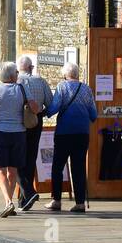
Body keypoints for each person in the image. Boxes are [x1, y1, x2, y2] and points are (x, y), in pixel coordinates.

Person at [0, 61, 38, 218]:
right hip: (19, 133)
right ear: (13, 75)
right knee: (13, 170)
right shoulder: (22, 88)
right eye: (16, 73)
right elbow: (34, 108)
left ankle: (8, 202)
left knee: (0, 169)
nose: (18, 75)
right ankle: (10, 202)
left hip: (0, 132)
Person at [43, 62, 97, 212]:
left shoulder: (62, 87)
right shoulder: (86, 89)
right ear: (77, 74)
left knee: (58, 166)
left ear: (65, 75)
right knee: (79, 167)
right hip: (82, 134)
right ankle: (80, 203)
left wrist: (42, 113)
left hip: (64, 133)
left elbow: (54, 107)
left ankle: (57, 201)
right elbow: (94, 114)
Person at [15, 55, 54, 212]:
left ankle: (27, 194)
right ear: (31, 67)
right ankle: (25, 198)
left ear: (19, 68)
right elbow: (50, 104)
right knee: (31, 157)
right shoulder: (41, 81)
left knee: (17, 158)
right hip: (36, 121)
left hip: (19, 121)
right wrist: (41, 114)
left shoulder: (16, 81)